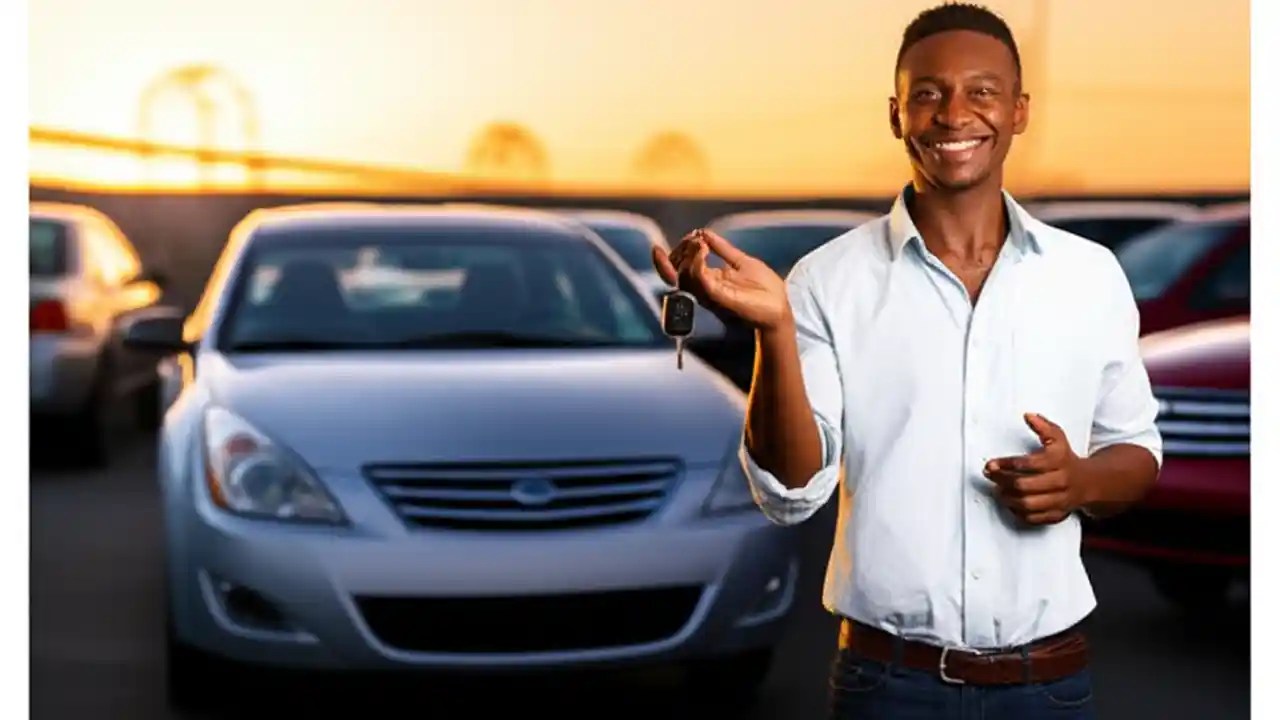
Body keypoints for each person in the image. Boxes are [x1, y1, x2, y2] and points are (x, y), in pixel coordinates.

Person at [652, 3, 1161, 719]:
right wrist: (775, 333)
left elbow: (1135, 450)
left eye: (981, 92)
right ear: (897, 115)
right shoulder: (826, 282)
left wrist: (1079, 480)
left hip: (1050, 684)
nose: (954, 114)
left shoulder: (1090, 276)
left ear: (1019, 111)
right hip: (887, 686)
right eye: (928, 93)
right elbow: (791, 492)